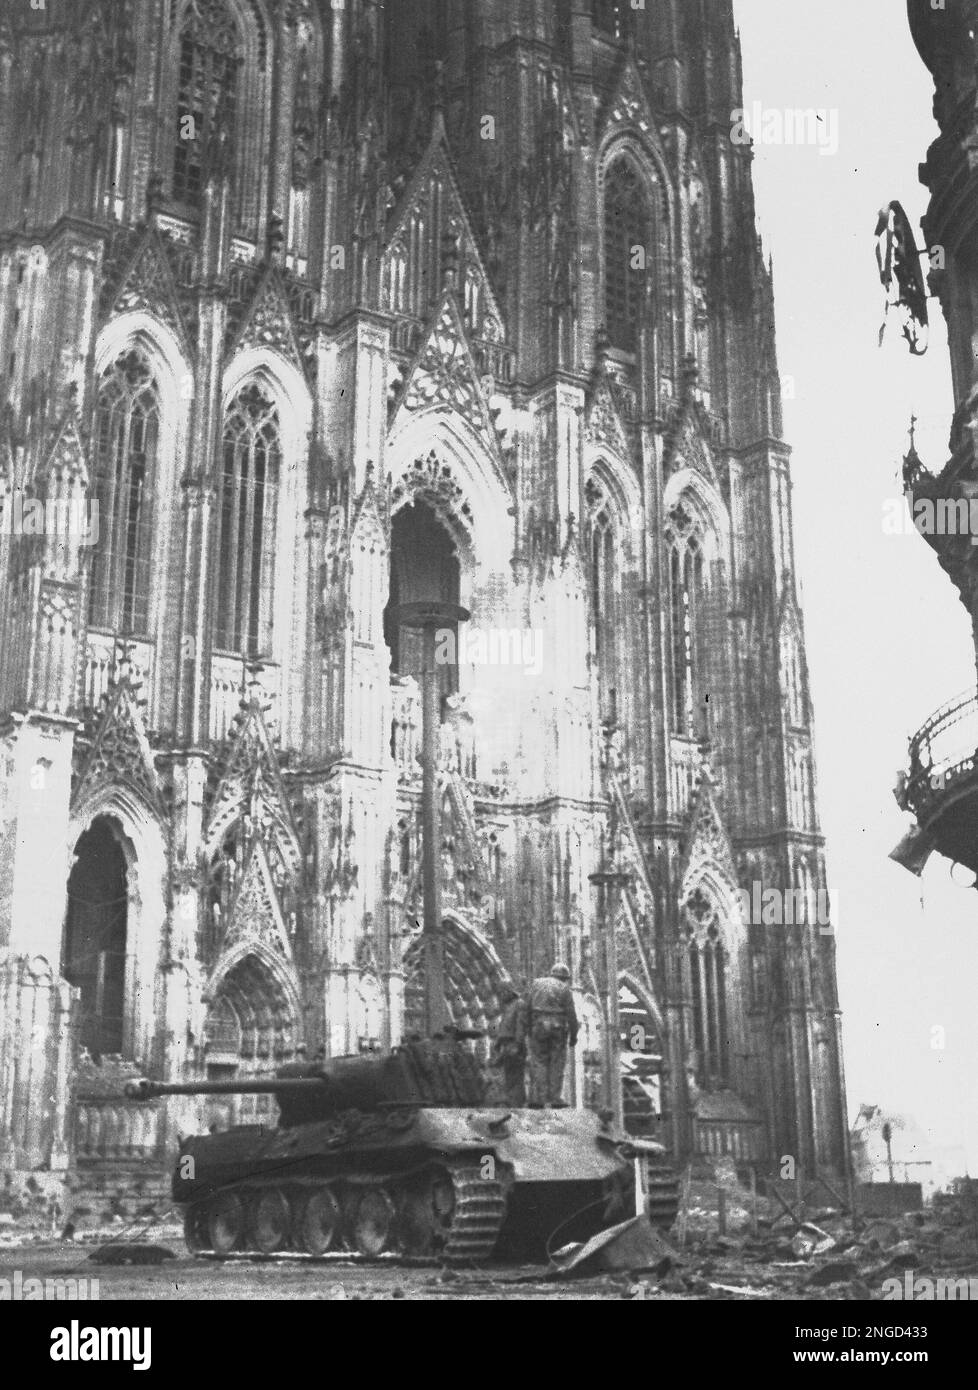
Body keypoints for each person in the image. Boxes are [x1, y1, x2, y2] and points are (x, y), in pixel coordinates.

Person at [527, 962, 578, 1107]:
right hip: (557, 1028)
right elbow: (571, 1015)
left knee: (539, 1061)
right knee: (557, 1062)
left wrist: (528, 1029)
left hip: (538, 1026)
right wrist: (574, 1036)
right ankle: (555, 1098)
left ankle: (539, 1098)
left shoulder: (536, 984)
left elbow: (527, 1007)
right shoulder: (565, 989)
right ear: (564, 978)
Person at [490, 984, 527, 1106]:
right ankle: (512, 1103)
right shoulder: (508, 1007)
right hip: (507, 1045)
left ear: (509, 992)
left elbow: (520, 1026)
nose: (501, 995)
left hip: (514, 1045)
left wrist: (517, 1044)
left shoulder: (519, 1004)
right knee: (509, 1077)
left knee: (516, 1078)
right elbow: (505, 1027)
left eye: (503, 992)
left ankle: (517, 1105)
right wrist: (498, 1043)